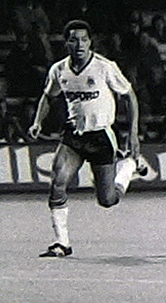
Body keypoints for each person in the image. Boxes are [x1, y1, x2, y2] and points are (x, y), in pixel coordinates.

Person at [27, 20, 151, 257]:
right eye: (74, 40)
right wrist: (37, 122)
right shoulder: (59, 70)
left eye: (84, 39)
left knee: (107, 200)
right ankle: (62, 243)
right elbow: (48, 96)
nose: (79, 44)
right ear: (66, 43)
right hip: (73, 136)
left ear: (90, 42)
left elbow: (129, 97)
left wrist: (133, 134)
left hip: (101, 137)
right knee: (57, 181)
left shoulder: (105, 67)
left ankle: (128, 166)